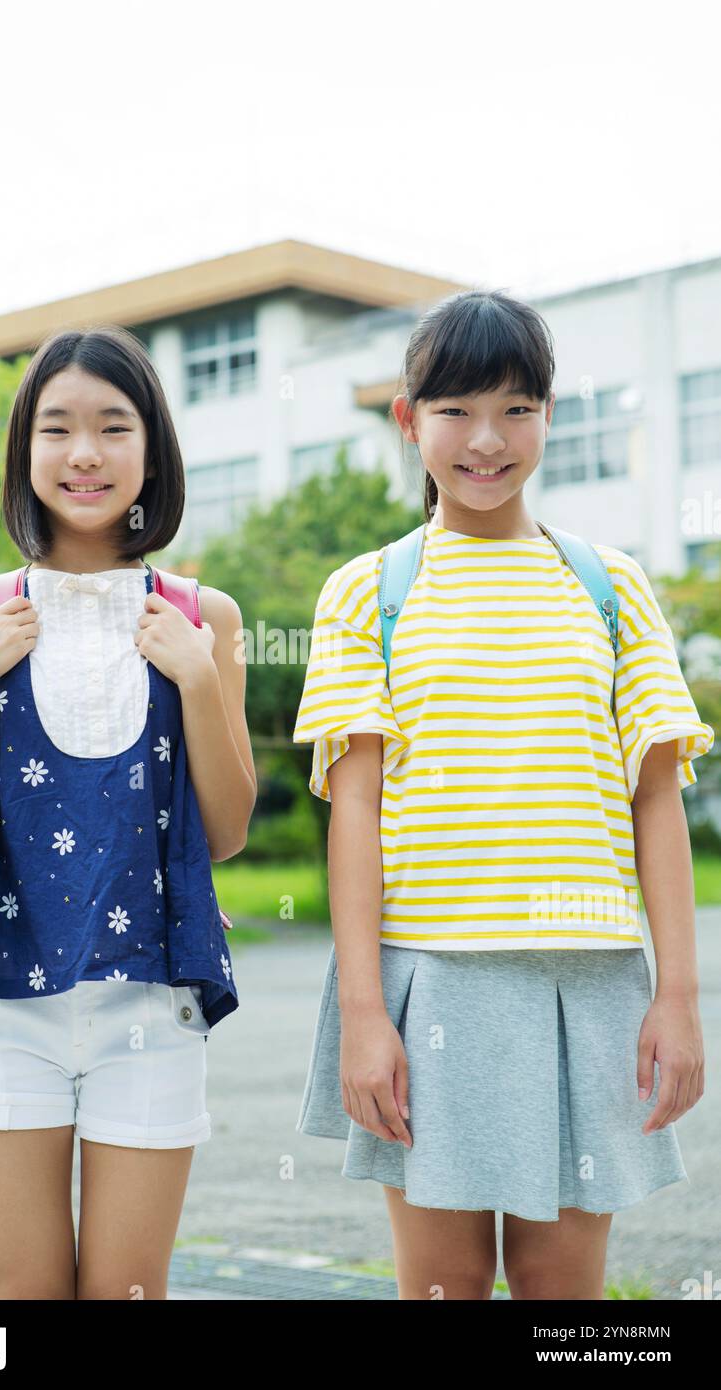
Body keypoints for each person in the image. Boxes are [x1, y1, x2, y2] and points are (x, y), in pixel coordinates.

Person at [292, 290, 715, 1301]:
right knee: (440, 1286)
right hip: (429, 982)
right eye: (454, 410)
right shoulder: (366, 591)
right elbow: (352, 809)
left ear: (549, 416)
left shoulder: (610, 587)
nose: (485, 439)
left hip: (588, 983)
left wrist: (678, 995)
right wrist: (362, 1012)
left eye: (516, 408)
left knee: (558, 1297)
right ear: (408, 420)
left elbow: (655, 802)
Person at [0, 325, 256, 1300]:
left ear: (150, 449)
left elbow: (226, 831)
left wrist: (196, 680)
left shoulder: (204, 615)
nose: (85, 453)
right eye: (57, 428)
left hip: (148, 1007)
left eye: (113, 426)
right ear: (24, 450)